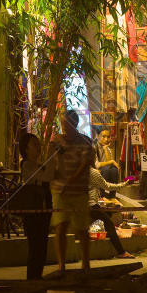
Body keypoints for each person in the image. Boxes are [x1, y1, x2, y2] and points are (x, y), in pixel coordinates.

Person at [47, 111, 95, 277]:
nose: (64, 126)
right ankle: (61, 265)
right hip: (60, 190)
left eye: (66, 122)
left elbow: (85, 164)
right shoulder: (56, 141)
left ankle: (86, 263)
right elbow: (50, 162)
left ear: (74, 123)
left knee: (81, 228)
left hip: (78, 191)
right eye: (62, 122)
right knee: (60, 226)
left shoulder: (85, 142)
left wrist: (71, 181)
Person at [12, 132, 53, 280]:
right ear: (26, 149)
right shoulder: (27, 165)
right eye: (34, 145)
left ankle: (37, 279)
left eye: (38, 144)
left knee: (41, 248)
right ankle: (33, 281)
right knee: (35, 247)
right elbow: (47, 176)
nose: (38, 148)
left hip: (43, 211)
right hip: (33, 212)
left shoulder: (39, 165)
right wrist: (52, 155)